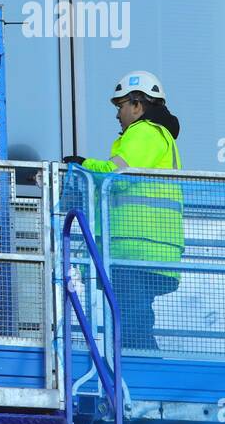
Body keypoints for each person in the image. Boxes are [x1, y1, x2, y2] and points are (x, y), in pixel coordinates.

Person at [64, 71, 183, 351]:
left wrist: (79, 165)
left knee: (131, 324)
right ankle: (140, 372)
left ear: (138, 105)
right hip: (145, 248)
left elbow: (116, 177)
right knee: (130, 320)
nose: (118, 115)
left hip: (137, 249)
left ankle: (144, 374)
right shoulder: (157, 138)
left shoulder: (145, 133)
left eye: (121, 106)